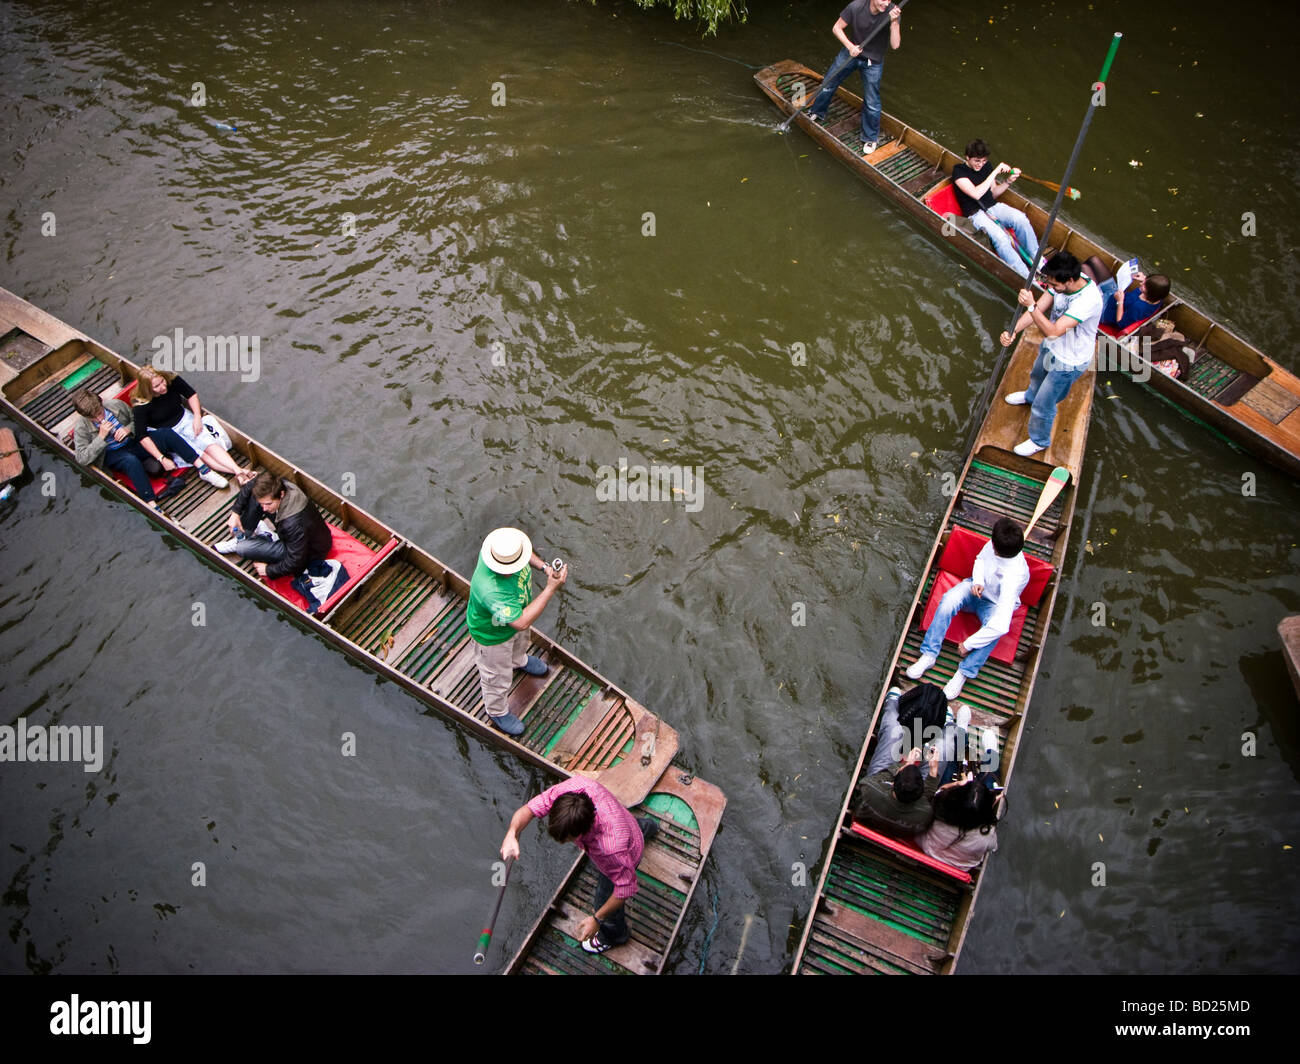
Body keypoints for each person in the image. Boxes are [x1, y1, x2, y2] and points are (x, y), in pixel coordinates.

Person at [501, 776, 658, 955]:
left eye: (567, 839)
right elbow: (528, 809)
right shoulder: (574, 788)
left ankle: (615, 935)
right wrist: (511, 834)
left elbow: (626, 887)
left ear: (581, 833)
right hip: (625, 821)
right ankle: (650, 827)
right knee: (638, 827)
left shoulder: (610, 849)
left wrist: (597, 919)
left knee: (603, 899)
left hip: (625, 849)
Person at [906, 517, 1030, 701]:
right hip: (975, 589)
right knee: (948, 600)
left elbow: (1001, 625)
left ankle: (964, 671)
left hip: (994, 604)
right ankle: (929, 653)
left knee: (993, 634)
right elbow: (980, 559)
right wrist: (978, 580)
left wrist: (969, 643)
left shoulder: (1014, 578)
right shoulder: (995, 544)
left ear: (1000, 549)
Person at [999, 250, 1103, 457]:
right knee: (1037, 376)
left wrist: (1029, 306)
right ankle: (1029, 395)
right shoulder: (1061, 284)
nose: (1052, 288)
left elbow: (1053, 331)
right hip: (1052, 347)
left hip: (1069, 360)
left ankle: (1040, 440)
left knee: (1044, 404)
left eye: (1055, 286)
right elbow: (1040, 307)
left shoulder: (1088, 300)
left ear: (1071, 280)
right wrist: (1014, 331)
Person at [466, 527, 567, 736]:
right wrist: (550, 588)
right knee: (496, 677)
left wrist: (545, 568)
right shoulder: (491, 589)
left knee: (521, 643)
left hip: (514, 616)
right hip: (492, 636)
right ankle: (496, 711)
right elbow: (520, 622)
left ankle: (518, 661)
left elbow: (524, 551)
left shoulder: (502, 549)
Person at [803, 0, 902, 156]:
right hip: (850, 52)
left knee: (872, 101)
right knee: (828, 83)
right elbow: (837, 28)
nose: (886, 3)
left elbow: (895, 45)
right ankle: (816, 111)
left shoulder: (892, 12)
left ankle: (870, 137)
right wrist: (849, 46)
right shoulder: (856, 6)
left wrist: (894, 22)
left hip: (873, 62)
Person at [131, 366, 252, 488]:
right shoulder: (141, 405)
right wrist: (160, 457)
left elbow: (191, 394)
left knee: (208, 444)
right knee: (201, 454)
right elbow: (142, 436)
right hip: (169, 433)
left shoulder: (172, 380)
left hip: (185, 419)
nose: (163, 387)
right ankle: (239, 472)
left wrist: (197, 417)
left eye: (162, 381)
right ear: (148, 389)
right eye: (156, 387)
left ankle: (237, 470)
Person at [71, 388, 194, 507]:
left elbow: (137, 420)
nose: (99, 418)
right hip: (113, 454)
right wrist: (100, 437)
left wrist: (128, 429)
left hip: (133, 441)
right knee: (130, 461)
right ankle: (151, 502)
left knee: (165, 433)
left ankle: (199, 463)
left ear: (101, 402)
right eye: (94, 418)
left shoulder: (116, 405)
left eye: (99, 412)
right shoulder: (81, 429)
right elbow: (81, 458)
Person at [214, 471, 333, 583]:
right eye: (263, 504)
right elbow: (252, 485)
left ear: (281, 494)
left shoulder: (292, 525)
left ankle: (265, 538)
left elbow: (295, 560)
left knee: (243, 549)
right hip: (296, 535)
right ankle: (245, 534)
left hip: (309, 552)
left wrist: (268, 570)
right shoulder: (282, 484)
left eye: (268, 504)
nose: (264, 509)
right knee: (256, 499)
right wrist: (235, 513)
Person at [853, 688, 939, 837]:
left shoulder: (870, 789)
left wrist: (903, 764)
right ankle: (940, 733)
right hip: (900, 817)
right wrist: (932, 774)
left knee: (894, 730)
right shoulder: (925, 813)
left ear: (893, 784)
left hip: (879, 801)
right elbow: (927, 797)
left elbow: (878, 778)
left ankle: (892, 702)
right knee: (941, 750)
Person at [951, 139, 1040, 279]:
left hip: (993, 207)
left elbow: (993, 193)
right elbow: (976, 194)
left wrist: (1008, 181)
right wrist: (995, 172)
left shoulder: (987, 166)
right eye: (977, 161)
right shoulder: (959, 171)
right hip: (976, 215)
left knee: (1020, 219)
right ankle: (1027, 276)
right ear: (967, 157)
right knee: (1001, 238)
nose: (980, 164)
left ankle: (1038, 261)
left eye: (984, 161)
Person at [918, 773, 1004, 870]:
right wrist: (989, 805)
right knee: (990, 779)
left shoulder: (938, 810)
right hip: (959, 867)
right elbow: (993, 847)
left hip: (929, 851)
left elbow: (941, 790)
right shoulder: (986, 834)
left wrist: (958, 784)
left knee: (952, 767)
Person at [1100, 269, 1169, 331]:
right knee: (1094, 260)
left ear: (1151, 292)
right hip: (1114, 294)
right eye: (1144, 281)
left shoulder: (1138, 307)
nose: (1141, 283)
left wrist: (1120, 301)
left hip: (1105, 310)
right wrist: (1145, 279)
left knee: (1089, 280)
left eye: (1144, 285)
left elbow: (1120, 324)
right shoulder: (1157, 298)